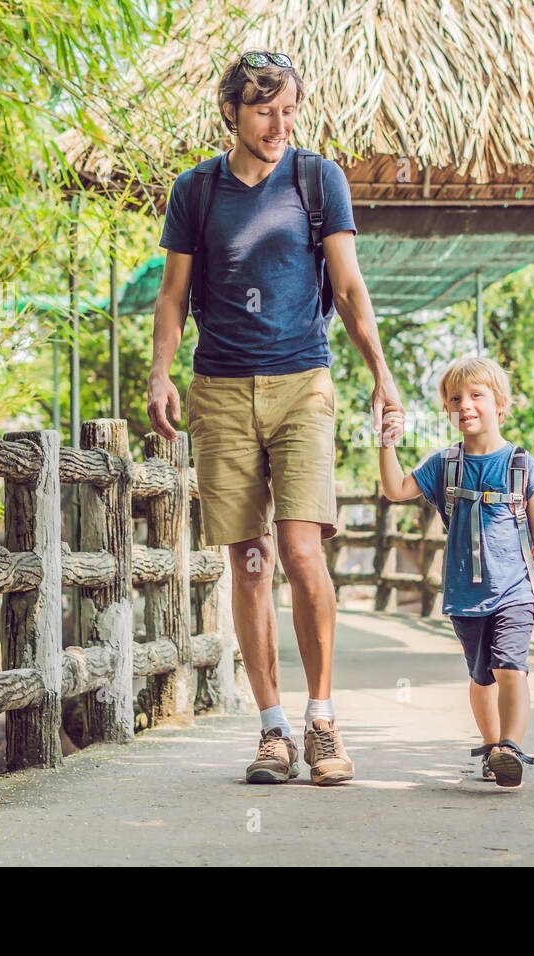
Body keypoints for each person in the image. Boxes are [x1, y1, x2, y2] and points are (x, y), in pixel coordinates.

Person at [147, 50, 404, 785]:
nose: (279, 125)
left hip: (303, 385)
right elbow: (172, 296)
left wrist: (382, 373)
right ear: (231, 110)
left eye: (289, 111)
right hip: (219, 390)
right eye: (265, 112)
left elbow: (350, 289)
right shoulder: (196, 191)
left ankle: (323, 722)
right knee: (250, 562)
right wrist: (160, 373)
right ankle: (272, 731)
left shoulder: (317, 179)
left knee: (299, 551)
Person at [378, 356, 534, 788]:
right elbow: (395, 490)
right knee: (481, 675)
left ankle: (511, 748)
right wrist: (386, 442)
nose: (465, 405)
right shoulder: (445, 465)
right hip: (465, 594)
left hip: (518, 588)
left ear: (500, 405)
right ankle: (492, 748)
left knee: (510, 667)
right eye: (455, 399)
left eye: (476, 396)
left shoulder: (520, 464)